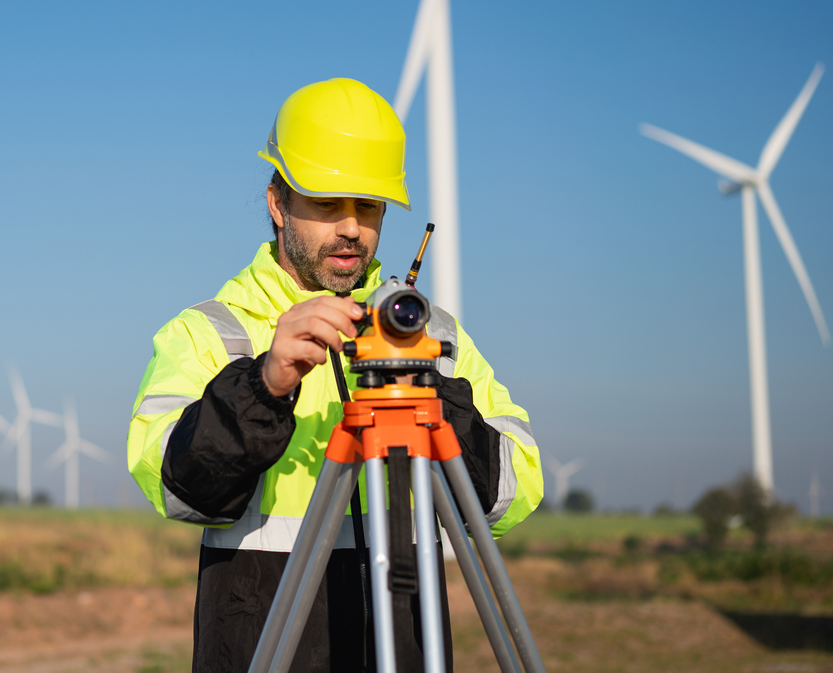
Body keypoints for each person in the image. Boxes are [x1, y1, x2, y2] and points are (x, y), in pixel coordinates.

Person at [127, 78, 542, 672]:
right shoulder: (212, 332)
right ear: (278, 203)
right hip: (266, 643)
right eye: (327, 205)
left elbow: (513, 496)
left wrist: (428, 388)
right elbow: (179, 490)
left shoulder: (433, 336)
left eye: (368, 207)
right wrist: (263, 384)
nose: (352, 228)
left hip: (405, 643)